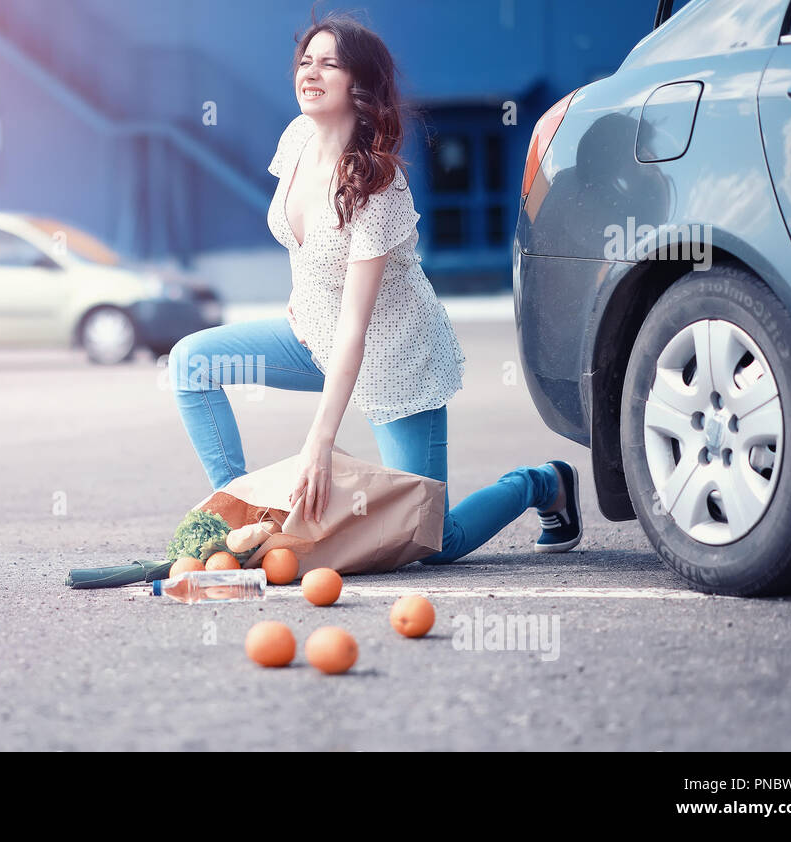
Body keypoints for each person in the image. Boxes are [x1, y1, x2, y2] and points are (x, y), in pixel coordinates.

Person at [168, 12, 581, 561]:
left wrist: (318, 446)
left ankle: (543, 483)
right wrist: (303, 292)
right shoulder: (295, 140)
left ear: (359, 85)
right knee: (192, 362)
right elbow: (304, 238)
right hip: (311, 336)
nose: (309, 73)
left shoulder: (375, 187)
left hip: (393, 359)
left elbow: (356, 333)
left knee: (431, 542)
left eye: (329, 64)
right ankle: (241, 512)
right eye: (305, 61)